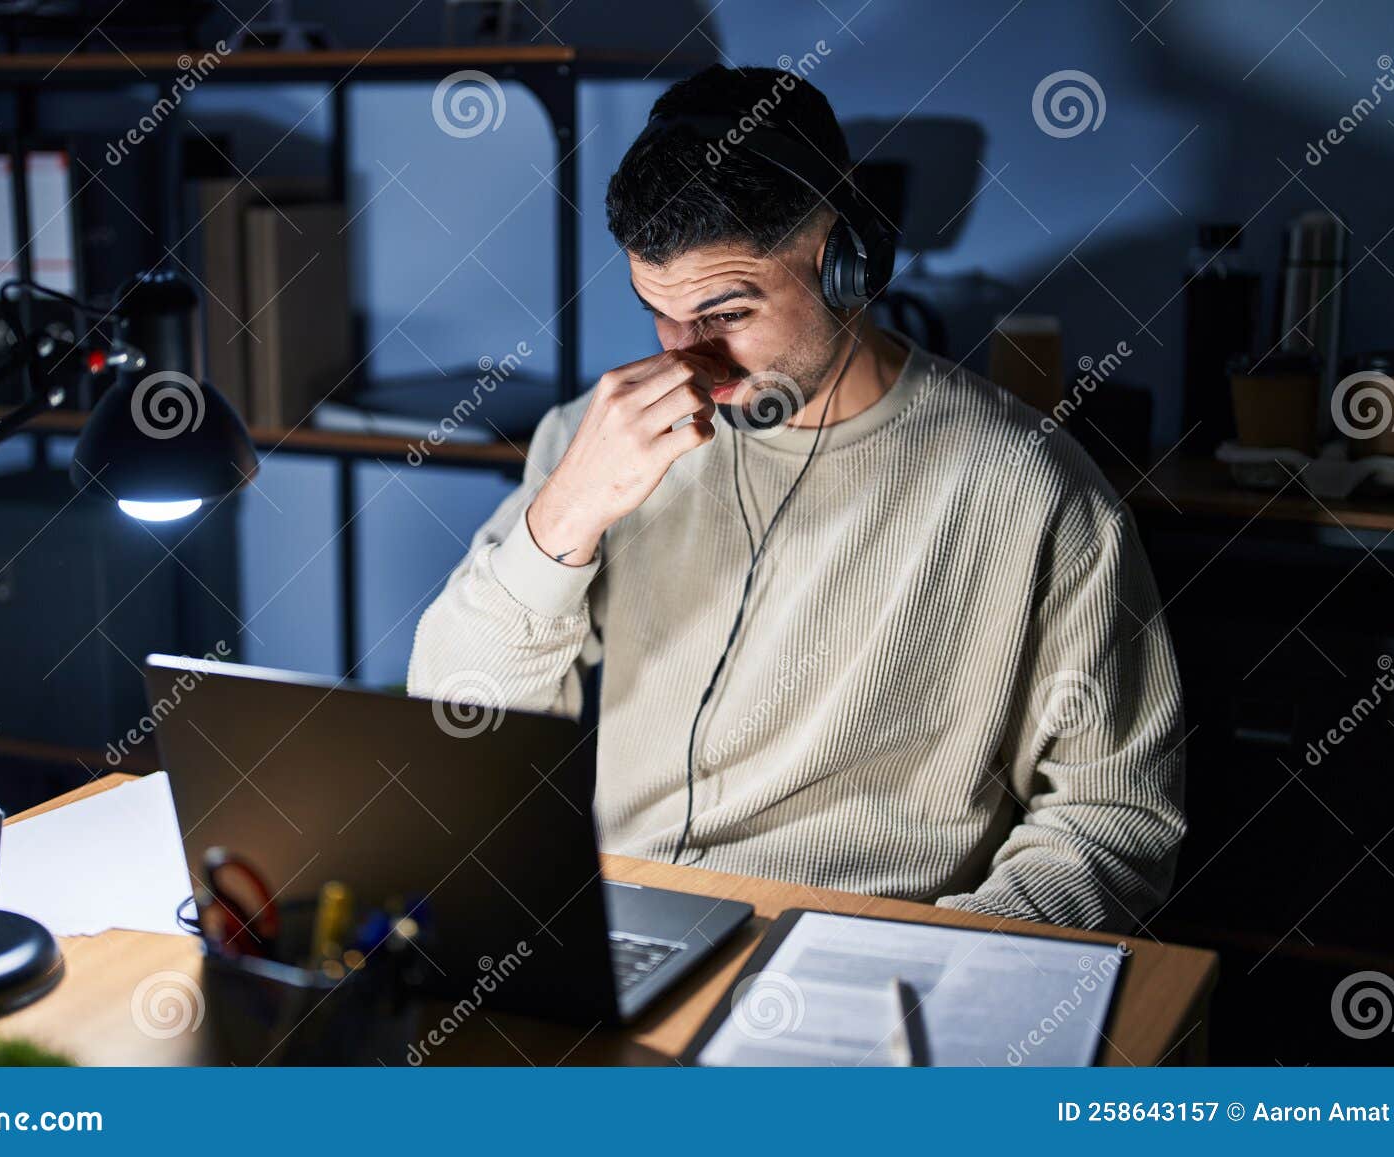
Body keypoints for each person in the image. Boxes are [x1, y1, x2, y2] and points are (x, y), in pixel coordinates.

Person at [409, 65, 1185, 932]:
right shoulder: (593, 446)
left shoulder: (1030, 486)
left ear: (848, 265)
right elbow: (456, 724)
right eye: (658, 311)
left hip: (872, 953)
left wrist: (940, 955)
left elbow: (1115, 822)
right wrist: (561, 522)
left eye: (726, 312)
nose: (687, 356)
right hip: (626, 931)